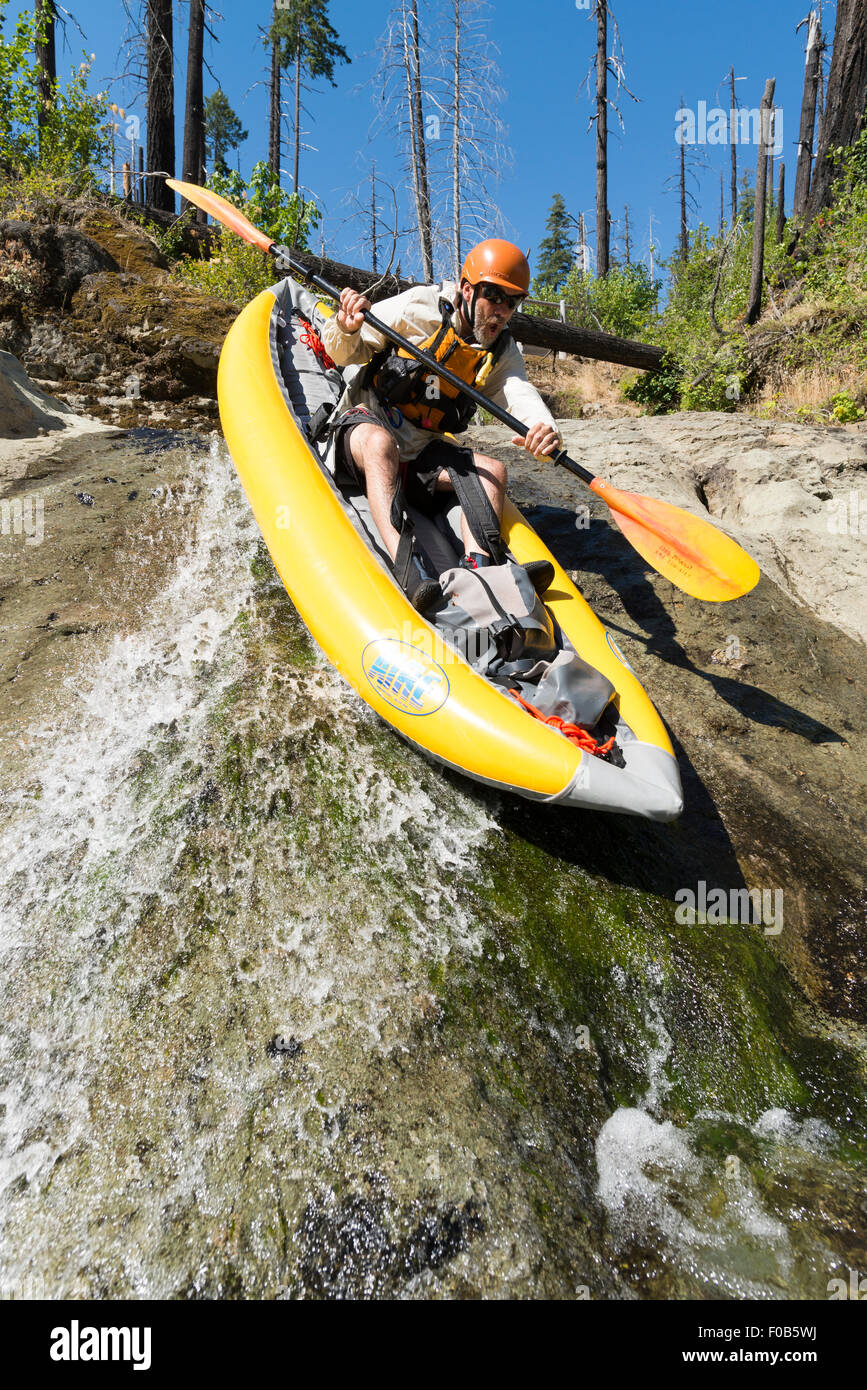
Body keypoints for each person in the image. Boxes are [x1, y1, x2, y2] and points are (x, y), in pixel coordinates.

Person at [319, 239, 561, 612]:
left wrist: (543, 429)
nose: (502, 311)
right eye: (494, 296)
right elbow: (342, 352)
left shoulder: (501, 352)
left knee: (492, 471)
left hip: (418, 456)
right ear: (468, 289)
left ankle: (484, 572)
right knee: (381, 445)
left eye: (512, 302)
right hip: (362, 428)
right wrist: (346, 326)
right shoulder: (419, 306)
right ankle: (407, 570)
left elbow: (519, 393)